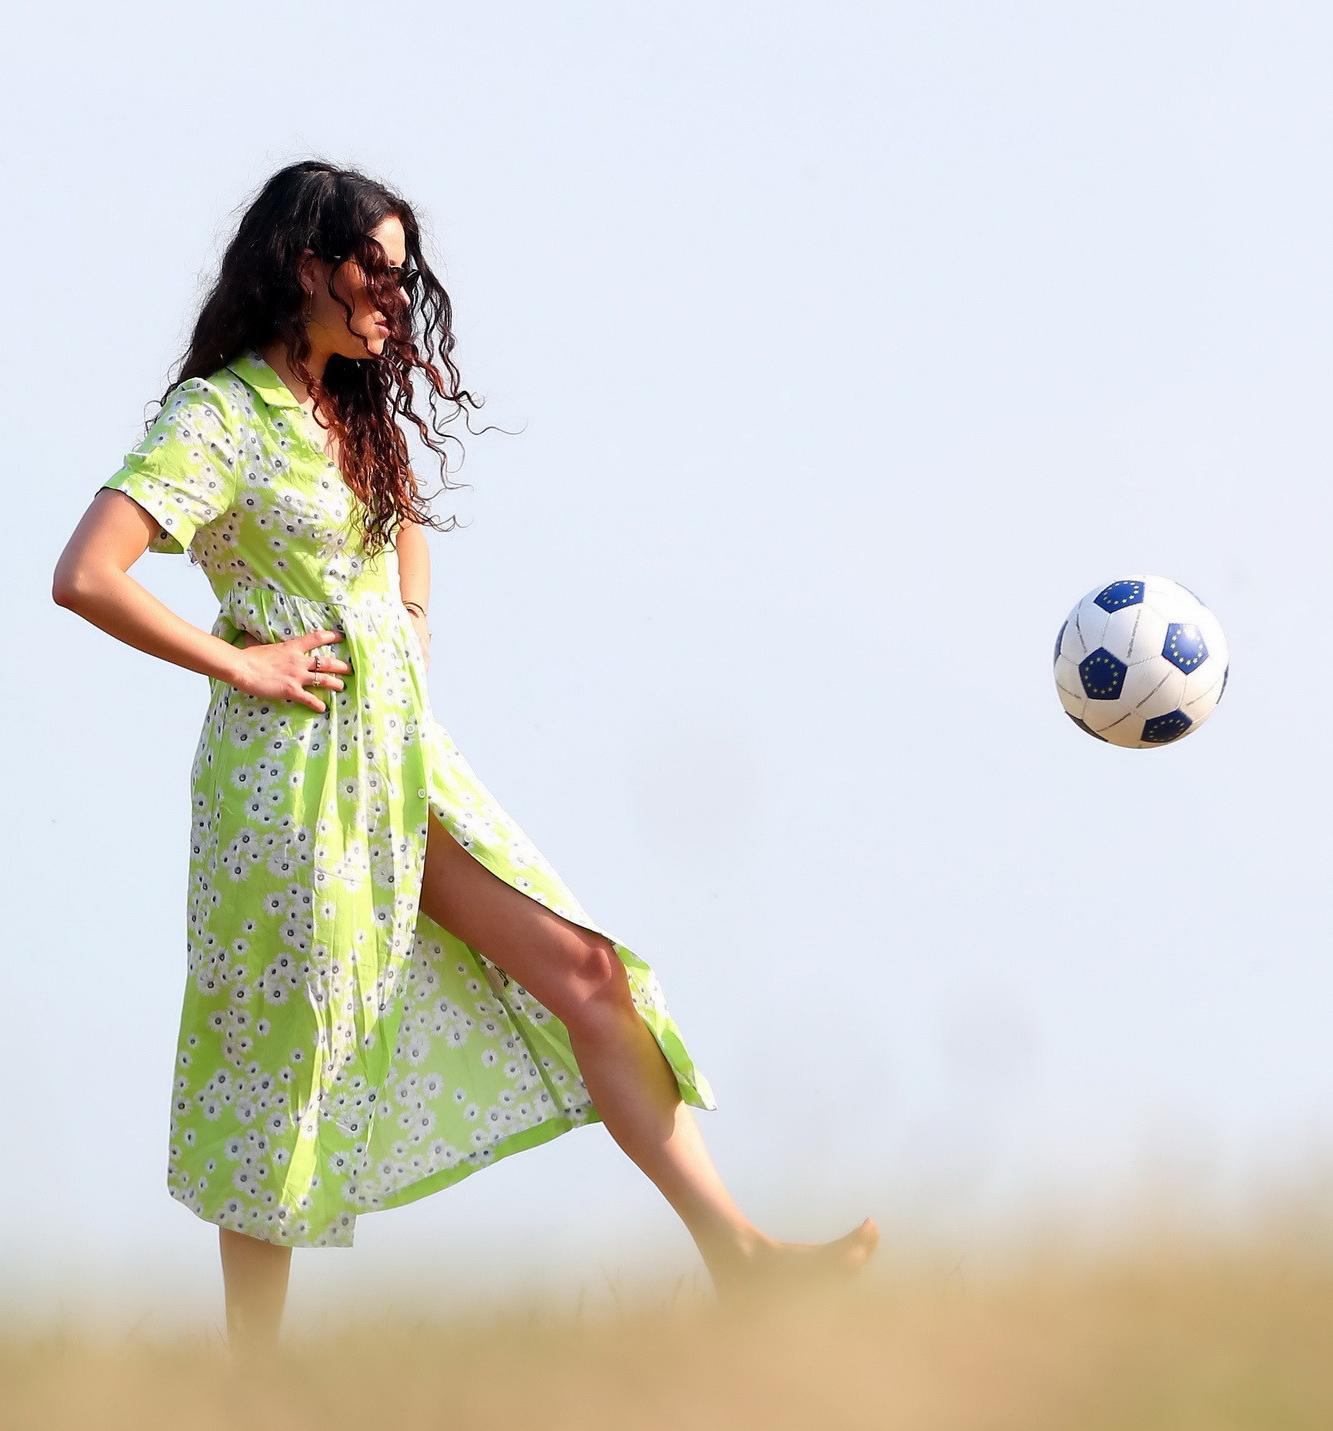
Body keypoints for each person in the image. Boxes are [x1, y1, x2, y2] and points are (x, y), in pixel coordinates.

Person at [52, 159, 878, 1354]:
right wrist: (245, 663)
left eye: (404, 271)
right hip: (289, 781)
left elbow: (404, 540)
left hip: (400, 759)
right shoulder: (220, 415)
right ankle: (249, 1397)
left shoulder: (351, 408)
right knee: (283, 1069)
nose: (395, 295)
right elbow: (86, 574)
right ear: (304, 268)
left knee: (591, 976)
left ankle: (740, 1258)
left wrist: (409, 633)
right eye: (372, 270)